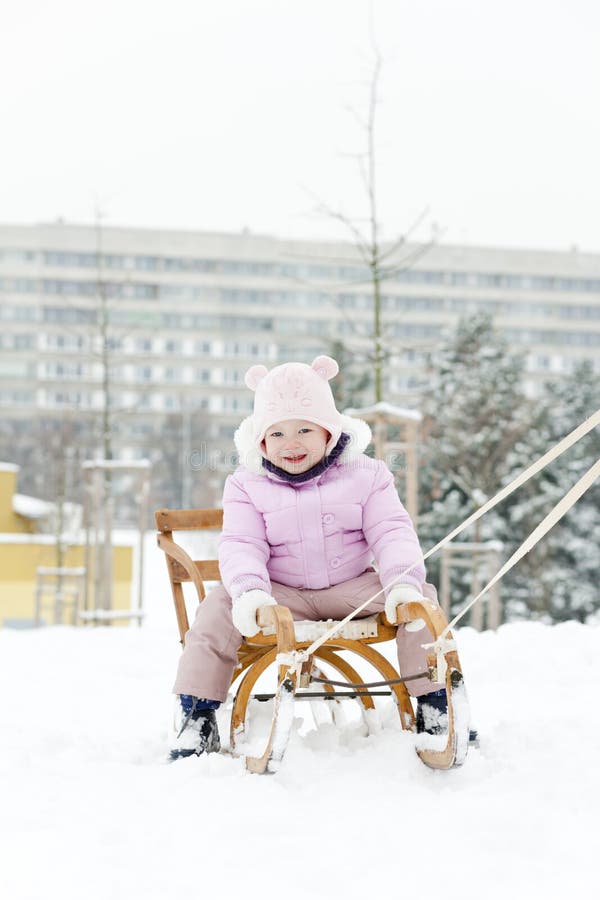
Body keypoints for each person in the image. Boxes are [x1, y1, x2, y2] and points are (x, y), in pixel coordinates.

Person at [169, 355, 454, 760]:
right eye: (279, 432)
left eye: (304, 428)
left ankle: (434, 706)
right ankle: (196, 716)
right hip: (280, 594)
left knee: (420, 601)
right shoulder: (246, 485)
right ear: (262, 440)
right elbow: (241, 543)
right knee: (218, 607)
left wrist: (401, 583)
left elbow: (391, 531)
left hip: (351, 589)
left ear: (329, 431)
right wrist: (251, 592)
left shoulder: (367, 475)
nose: (292, 443)